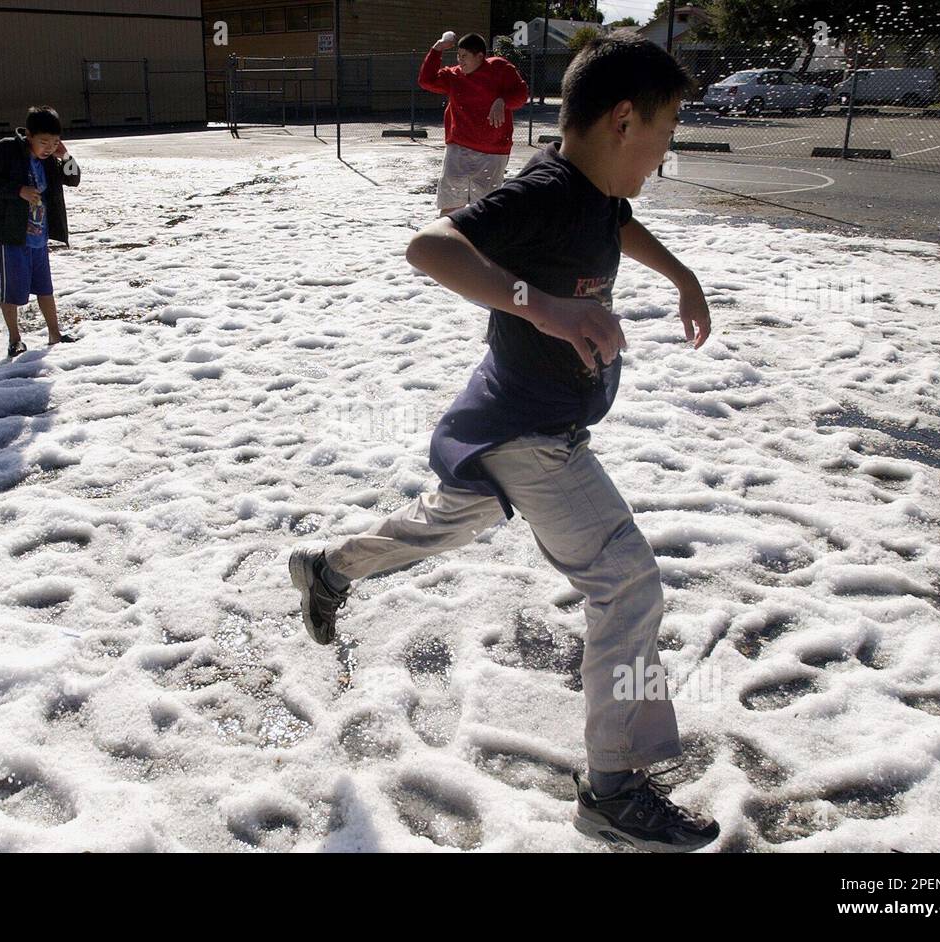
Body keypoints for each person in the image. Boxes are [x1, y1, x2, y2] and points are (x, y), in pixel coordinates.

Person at [290, 37, 719, 852]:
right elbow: (431, 247)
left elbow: (620, 224)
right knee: (626, 583)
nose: (666, 154)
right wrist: (545, 307)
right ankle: (615, 788)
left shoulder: (597, 192)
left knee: (442, 524)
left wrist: (682, 277)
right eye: (666, 132)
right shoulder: (548, 187)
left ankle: (330, 567)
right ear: (624, 119)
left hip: (508, 416)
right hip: (531, 429)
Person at [0, 105, 81, 358]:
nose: (49, 147)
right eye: (44, 141)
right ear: (29, 135)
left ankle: (55, 333)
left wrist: (66, 157)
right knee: (11, 291)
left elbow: (74, 179)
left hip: (39, 236)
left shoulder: (52, 159)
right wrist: (18, 190)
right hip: (10, 235)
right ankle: (15, 339)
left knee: (45, 288)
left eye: (55, 142)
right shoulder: (6, 149)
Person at [418, 32, 529, 216]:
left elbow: (521, 94)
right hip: (459, 149)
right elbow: (426, 81)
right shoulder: (454, 76)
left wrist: (503, 100)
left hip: (493, 152)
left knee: (487, 209)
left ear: (480, 56)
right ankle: (447, 239)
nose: (460, 61)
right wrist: (437, 48)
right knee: (451, 203)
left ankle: (483, 243)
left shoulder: (500, 68)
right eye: (458, 56)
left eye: (465, 57)